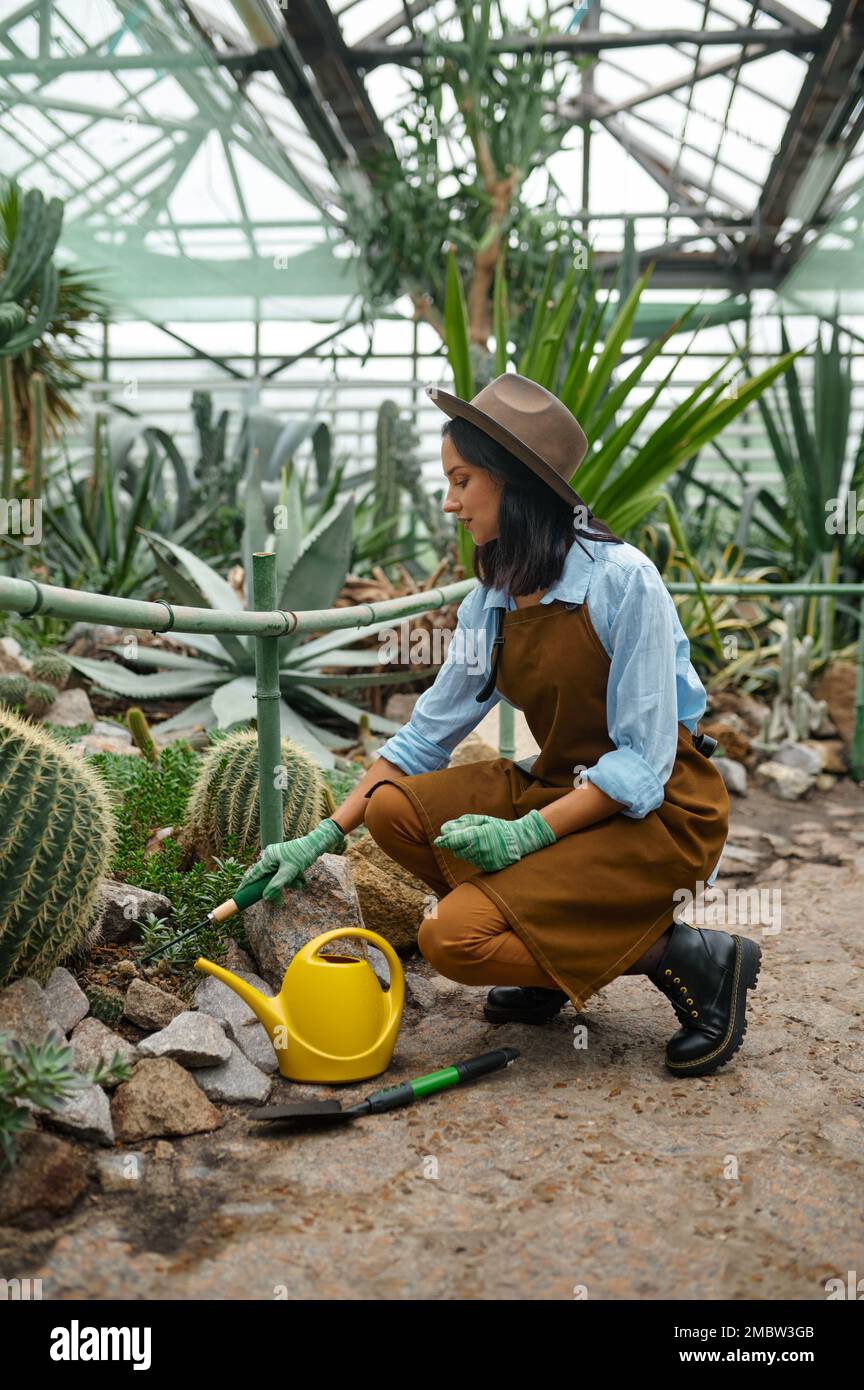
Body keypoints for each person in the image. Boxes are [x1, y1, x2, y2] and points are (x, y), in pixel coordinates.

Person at [238, 373, 761, 1078]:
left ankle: (691, 959)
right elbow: (423, 740)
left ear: (513, 484)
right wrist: (325, 833)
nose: (449, 502)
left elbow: (641, 765)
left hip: (660, 812)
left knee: (453, 941)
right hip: (564, 787)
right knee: (392, 808)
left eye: (462, 480)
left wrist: (524, 834)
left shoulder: (623, 582)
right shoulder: (496, 594)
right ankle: (551, 965)